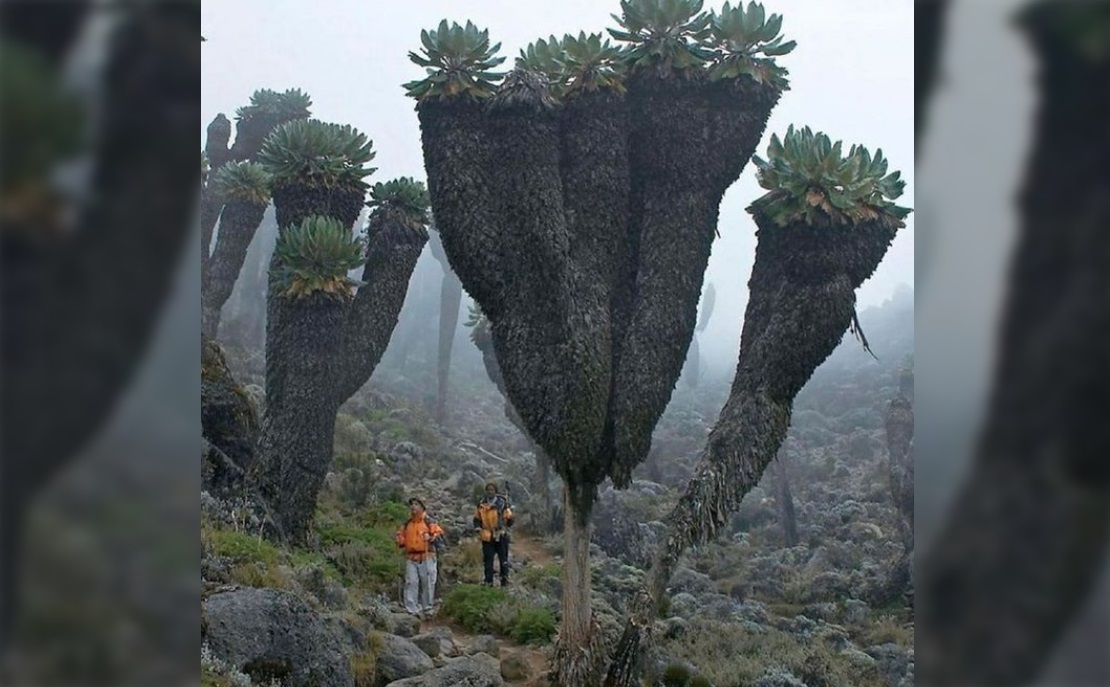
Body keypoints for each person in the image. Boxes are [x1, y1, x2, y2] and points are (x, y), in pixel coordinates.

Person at [395, 497, 444, 617]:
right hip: (411, 557)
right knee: (411, 582)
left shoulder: (429, 521)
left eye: (416, 504)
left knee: (427, 582)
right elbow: (400, 536)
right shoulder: (407, 524)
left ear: (422, 507)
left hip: (427, 555)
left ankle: (427, 608)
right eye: (412, 504)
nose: (413, 506)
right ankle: (411, 609)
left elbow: (438, 534)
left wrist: (431, 537)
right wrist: (400, 540)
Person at [473, 482, 514, 586]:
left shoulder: (502, 504)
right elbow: (477, 519)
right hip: (487, 536)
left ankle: (504, 582)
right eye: (488, 490)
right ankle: (488, 582)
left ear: (495, 491)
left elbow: (510, 523)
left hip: (501, 535)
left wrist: (509, 517)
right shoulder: (481, 504)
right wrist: (477, 527)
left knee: (503, 560)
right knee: (488, 561)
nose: (490, 492)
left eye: (492, 490)